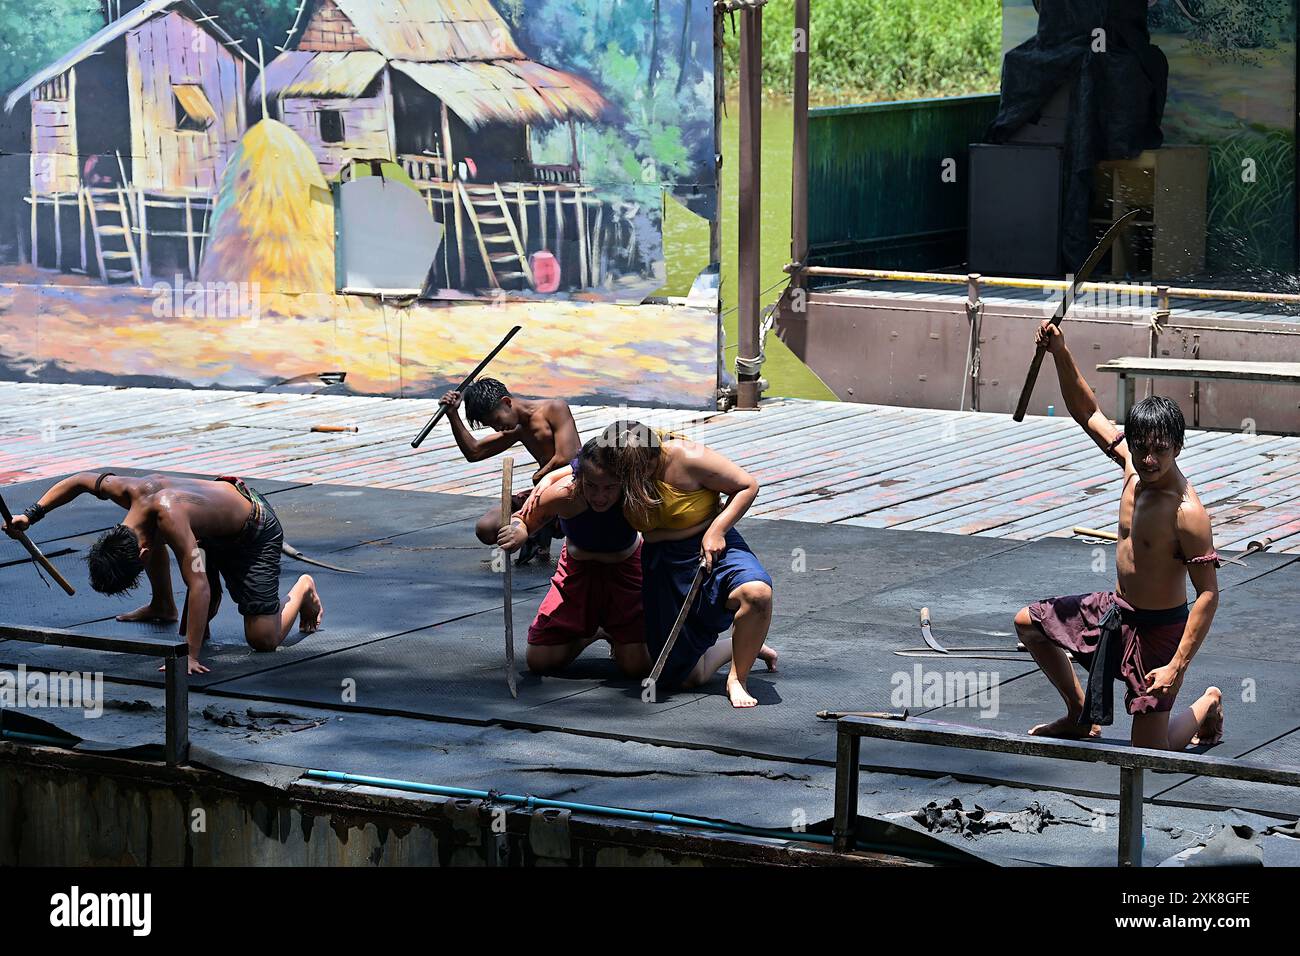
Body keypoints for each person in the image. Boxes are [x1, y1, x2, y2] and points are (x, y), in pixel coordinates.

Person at [1013, 320, 1224, 750]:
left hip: (1159, 632)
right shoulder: (1132, 462)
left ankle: (1207, 705)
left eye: (1160, 450)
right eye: (1141, 446)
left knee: (1149, 751)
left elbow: (1207, 595)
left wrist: (1176, 667)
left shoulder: (1187, 512)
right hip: (1115, 612)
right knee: (1029, 625)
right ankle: (1078, 714)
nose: (1148, 459)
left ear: (1177, 448)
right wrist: (1060, 351)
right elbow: (1088, 412)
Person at [2, 472, 321, 675]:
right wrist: (30, 516)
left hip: (253, 529)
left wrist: (189, 655)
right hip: (208, 524)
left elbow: (199, 587)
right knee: (158, 538)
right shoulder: (127, 492)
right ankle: (162, 605)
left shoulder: (170, 518)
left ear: (141, 555)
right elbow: (78, 482)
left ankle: (304, 589)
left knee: (262, 638)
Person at [600, 421, 778, 708]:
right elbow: (573, 473)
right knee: (683, 678)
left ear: (653, 455)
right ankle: (743, 647)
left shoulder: (686, 456)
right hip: (664, 563)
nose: (633, 481)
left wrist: (717, 529)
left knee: (757, 594)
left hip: (712, 543)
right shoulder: (610, 464)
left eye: (640, 471)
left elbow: (747, 485)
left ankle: (737, 678)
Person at [499, 436, 650, 678]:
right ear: (578, 478)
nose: (600, 496)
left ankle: (615, 632)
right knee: (539, 661)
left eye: (609, 487)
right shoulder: (563, 494)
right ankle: (591, 632)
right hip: (576, 572)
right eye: (591, 486)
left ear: (623, 482)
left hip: (626, 571)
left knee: (636, 667)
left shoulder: (636, 496)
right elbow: (524, 519)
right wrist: (518, 533)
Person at [438, 377, 580, 563]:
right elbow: (474, 452)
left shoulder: (554, 408)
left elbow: (568, 457)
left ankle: (538, 530)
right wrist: (452, 415)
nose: (498, 428)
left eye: (496, 420)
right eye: (492, 426)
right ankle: (535, 532)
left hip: (571, 491)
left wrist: (539, 477)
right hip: (540, 493)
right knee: (486, 528)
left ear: (506, 402)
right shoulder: (517, 428)